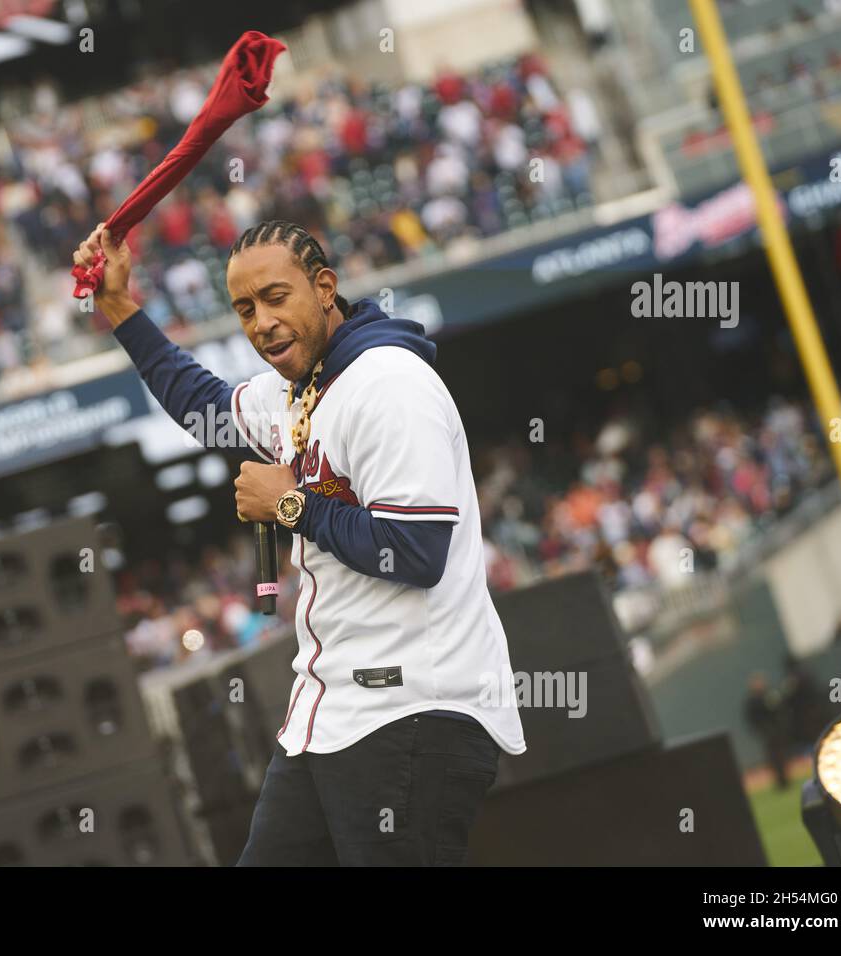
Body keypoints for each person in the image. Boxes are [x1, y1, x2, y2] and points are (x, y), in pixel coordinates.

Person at [73, 218, 526, 865]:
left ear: (324, 287)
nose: (261, 322)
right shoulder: (298, 389)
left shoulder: (389, 385)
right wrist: (118, 305)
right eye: (244, 309)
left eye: (275, 297)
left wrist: (289, 504)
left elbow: (416, 552)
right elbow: (202, 405)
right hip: (331, 714)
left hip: (413, 710)